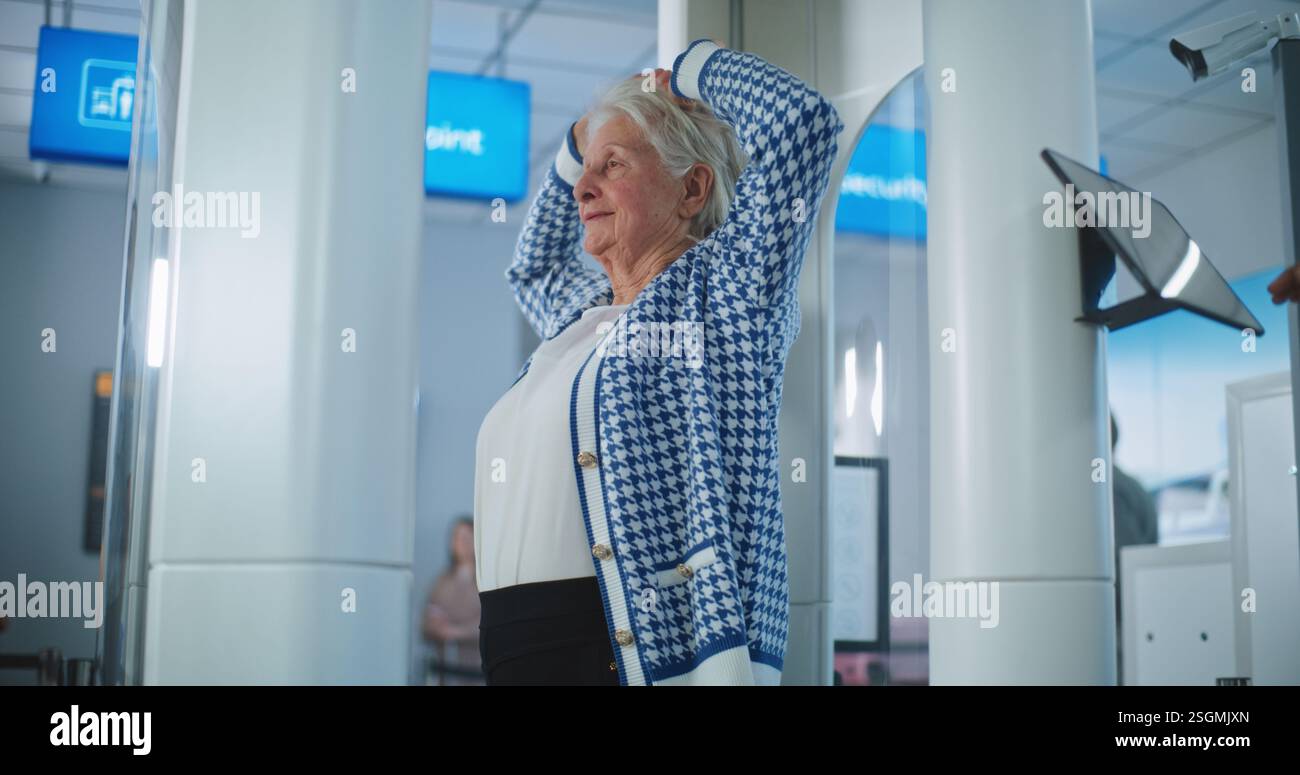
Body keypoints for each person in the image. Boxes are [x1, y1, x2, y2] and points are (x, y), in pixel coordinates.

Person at [473, 39, 843, 685]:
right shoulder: (580, 313)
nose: (582, 189)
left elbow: (802, 123)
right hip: (519, 648)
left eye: (612, 166)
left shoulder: (723, 294)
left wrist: (687, 72)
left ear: (692, 187)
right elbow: (530, 263)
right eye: (586, 171)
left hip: (623, 649)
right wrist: (580, 140)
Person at [422, 516, 482, 685]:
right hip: (445, 673)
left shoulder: (484, 582)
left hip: (475, 673)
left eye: (467, 537)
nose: (462, 543)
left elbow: (489, 624)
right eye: (457, 537)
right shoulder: (441, 582)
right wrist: (436, 627)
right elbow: (427, 622)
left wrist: (456, 632)